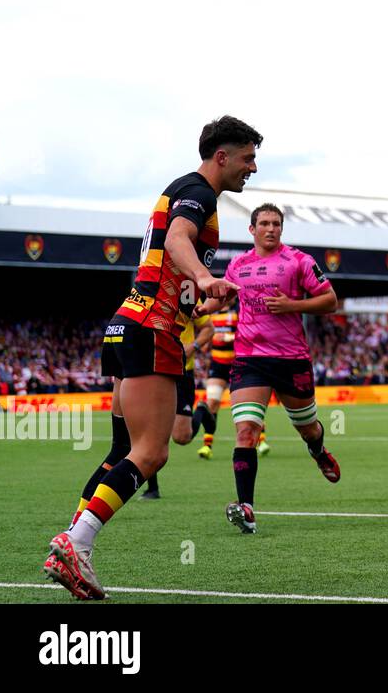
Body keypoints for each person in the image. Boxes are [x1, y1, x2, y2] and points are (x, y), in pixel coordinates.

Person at [43, 115, 260, 600]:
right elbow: (176, 240)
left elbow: (167, 262)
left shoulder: (187, 191)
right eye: (247, 158)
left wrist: (200, 298)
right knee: (153, 452)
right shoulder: (199, 192)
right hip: (153, 329)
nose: (253, 167)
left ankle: (73, 546)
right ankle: (76, 542)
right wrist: (204, 280)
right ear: (221, 156)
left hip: (129, 322)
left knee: (123, 452)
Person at [199, 203, 341, 533]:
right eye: (264, 223)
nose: (271, 228)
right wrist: (201, 308)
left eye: (276, 223)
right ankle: (246, 507)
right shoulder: (238, 265)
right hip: (249, 359)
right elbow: (223, 299)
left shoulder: (299, 261)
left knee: (307, 428)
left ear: (282, 229)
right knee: (246, 431)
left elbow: (330, 300)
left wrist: (294, 305)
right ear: (252, 229)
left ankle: (318, 450)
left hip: (291, 359)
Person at [141, 311, 213, 499]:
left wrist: (194, 346)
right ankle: (152, 488)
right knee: (150, 429)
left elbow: (209, 329)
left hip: (182, 373)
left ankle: (201, 411)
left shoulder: (188, 298)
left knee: (182, 437)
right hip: (154, 370)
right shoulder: (148, 299)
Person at [192, 303, 244, 460]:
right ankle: (207, 446)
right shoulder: (212, 315)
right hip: (218, 366)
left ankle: (260, 440)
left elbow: (246, 333)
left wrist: (229, 337)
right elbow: (207, 338)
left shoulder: (237, 312)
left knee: (244, 404)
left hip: (238, 365)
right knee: (212, 403)